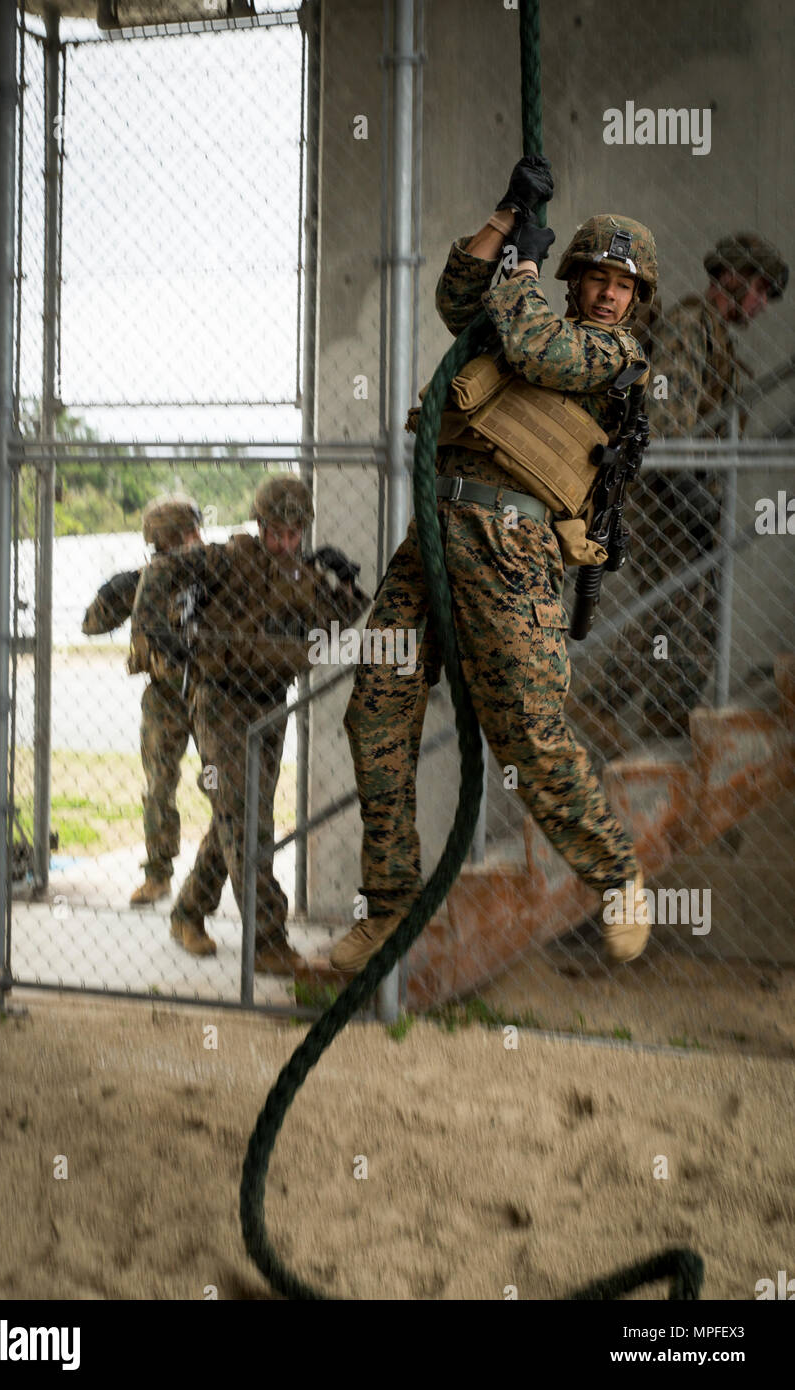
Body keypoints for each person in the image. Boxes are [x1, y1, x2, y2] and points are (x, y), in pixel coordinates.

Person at [330, 156, 655, 974]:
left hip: (513, 549)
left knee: (529, 737)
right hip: (435, 532)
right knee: (376, 705)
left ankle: (617, 876)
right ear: (576, 280)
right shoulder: (519, 315)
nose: (609, 293)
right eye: (596, 277)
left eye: (625, 284)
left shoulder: (612, 358)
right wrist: (507, 217)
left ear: (635, 302)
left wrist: (524, 269)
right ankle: (388, 905)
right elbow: (457, 299)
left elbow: (542, 351)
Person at [130, 474, 369, 973]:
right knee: (248, 824)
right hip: (221, 705)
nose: (284, 542)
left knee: (237, 820)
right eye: (275, 531)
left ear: (304, 529)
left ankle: (188, 911)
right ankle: (267, 942)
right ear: (260, 524)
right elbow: (158, 575)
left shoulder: (301, 575)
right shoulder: (227, 558)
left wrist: (345, 584)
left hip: (269, 705)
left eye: (293, 532)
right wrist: (154, 631)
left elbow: (333, 623)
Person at [592, 231, 789, 740]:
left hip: (693, 507)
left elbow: (726, 437)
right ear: (729, 277)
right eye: (760, 289)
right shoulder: (688, 325)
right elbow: (668, 431)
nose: (763, 303)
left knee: (696, 627)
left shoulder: (722, 345)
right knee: (670, 606)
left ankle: (667, 730)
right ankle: (598, 709)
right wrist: (697, 508)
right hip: (664, 502)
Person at [123, 494, 203, 904]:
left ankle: (214, 878)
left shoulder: (213, 572)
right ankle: (159, 874)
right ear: (167, 539)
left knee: (224, 787)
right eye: (189, 532)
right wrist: (123, 589)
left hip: (209, 691)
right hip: (165, 695)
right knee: (159, 787)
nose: (198, 538)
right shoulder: (148, 579)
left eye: (196, 529)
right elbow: (91, 623)